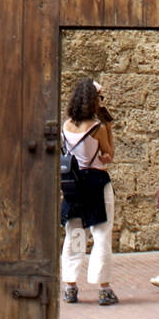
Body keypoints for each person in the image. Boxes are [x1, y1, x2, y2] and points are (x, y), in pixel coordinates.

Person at [60, 77, 119, 306]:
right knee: (101, 233)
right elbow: (108, 155)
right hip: (95, 181)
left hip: (73, 185)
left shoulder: (66, 126)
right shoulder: (97, 128)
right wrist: (109, 129)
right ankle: (103, 288)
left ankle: (70, 285)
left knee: (74, 234)